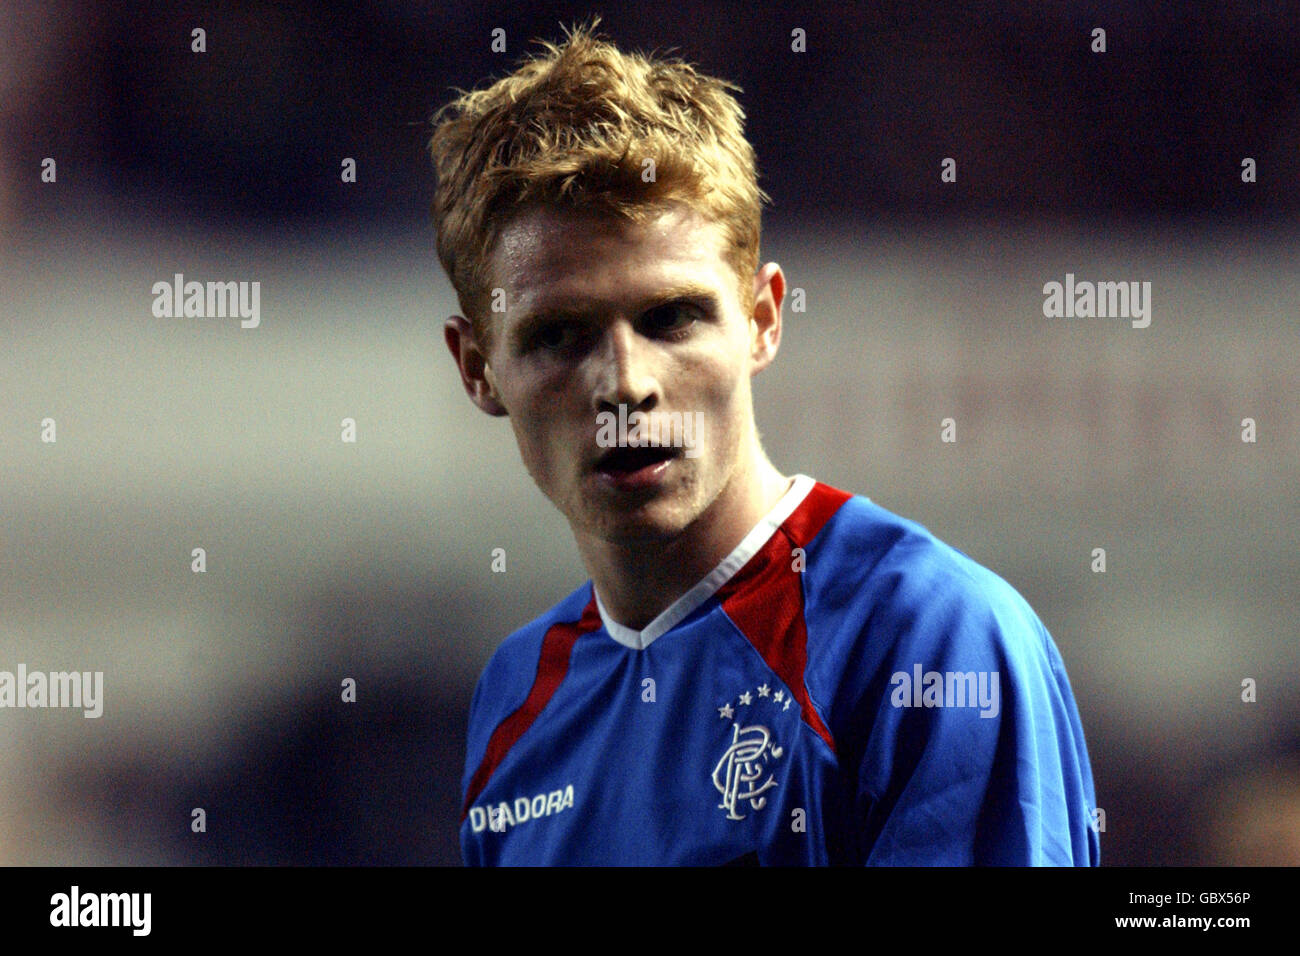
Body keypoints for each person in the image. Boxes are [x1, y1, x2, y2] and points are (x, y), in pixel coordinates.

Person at [431, 20, 1100, 865]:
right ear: (478, 368)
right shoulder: (516, 697)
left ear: (761, 318)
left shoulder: (934, 640)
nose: (625, 384)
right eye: (559, 335)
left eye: (672, 317)